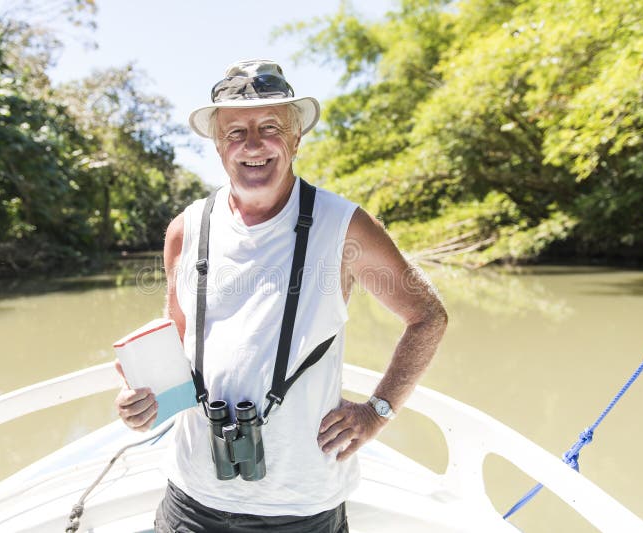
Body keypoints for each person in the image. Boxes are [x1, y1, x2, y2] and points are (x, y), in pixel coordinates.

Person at [114, 59, 447, 533]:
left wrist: (378, 411)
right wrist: (142, 399)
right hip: (190, 498)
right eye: (235, 132)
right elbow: (178, 342)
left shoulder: (343, 226)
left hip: (301, 507)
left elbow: (427, 316)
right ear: (217, 145)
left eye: (269, 127)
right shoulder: (185, 229)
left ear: (295, 138)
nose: (252, 145)